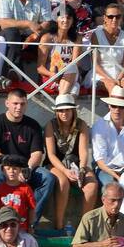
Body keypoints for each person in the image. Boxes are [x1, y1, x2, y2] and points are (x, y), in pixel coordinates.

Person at [0, 89, 53, 224]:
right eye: (15, 103)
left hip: (26, 167)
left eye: (22, 104)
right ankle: (2, 221)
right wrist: (11, 166)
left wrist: (28, 168)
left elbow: (37, 153)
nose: (18, 107)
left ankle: (30, 222)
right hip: (2, 166)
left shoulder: (33, 125)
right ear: (7, 103)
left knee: (48, 178)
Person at [44, 93, 97, 233]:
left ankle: (84, 226)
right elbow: (51, 154)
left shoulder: (82, 125)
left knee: (92, 185)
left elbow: (84, 152)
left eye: (67, 109)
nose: (64, 113)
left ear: (73, 110)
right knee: (63, 182)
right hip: (56, 164)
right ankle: (59, 224)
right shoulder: (50, 125)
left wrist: (82, 169)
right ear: (56, 112)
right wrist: (65, 171)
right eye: (61, 110)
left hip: (77, 163)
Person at [90, 87, 124, 190]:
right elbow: (100, 161)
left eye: (121, 107)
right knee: (111, 189)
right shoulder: (99, 126)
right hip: (106, 169)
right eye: (114, 106)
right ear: (109, 106)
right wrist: (117, 176)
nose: (117, 110)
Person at [0, 155, 36, 230]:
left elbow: (32, 208)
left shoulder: (26, 188)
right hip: (3, 227)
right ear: (3, 170)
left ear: (20, 170)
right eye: (8, 169)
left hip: (21, 227)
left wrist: (30, 226)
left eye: (15, 169)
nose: (11, 171)